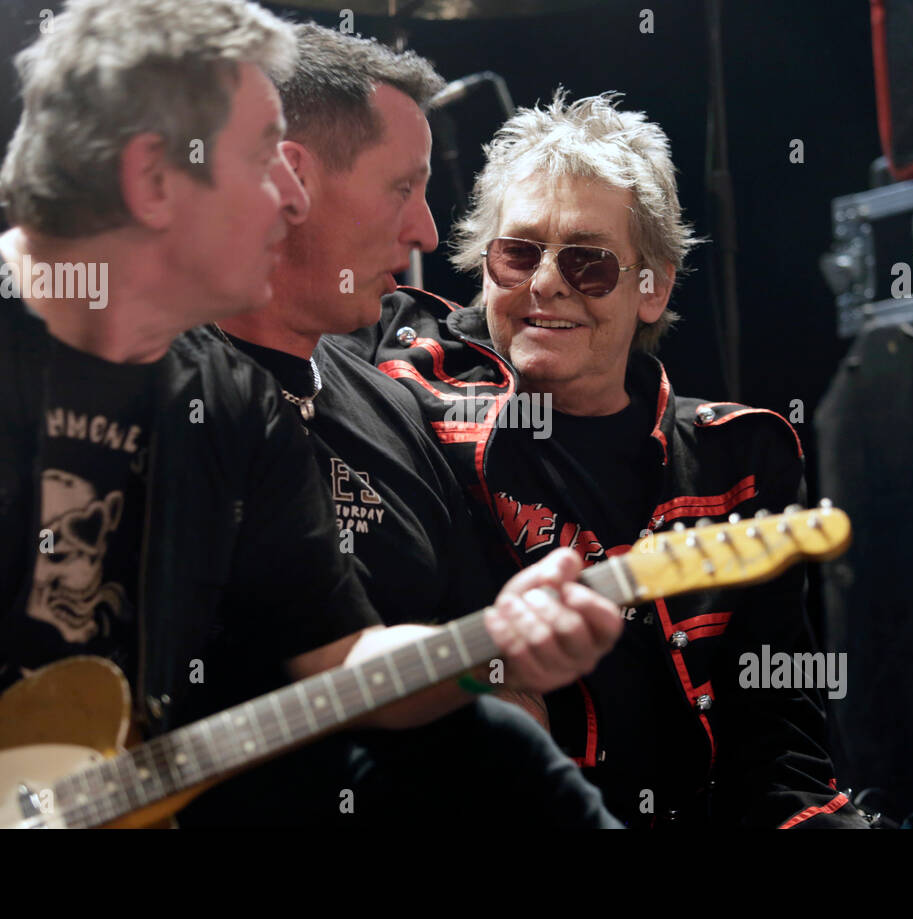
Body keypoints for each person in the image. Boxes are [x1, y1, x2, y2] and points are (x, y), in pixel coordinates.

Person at [0, 0, 623, 829]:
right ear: (151, 179)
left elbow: (338, 656)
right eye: (265, 159)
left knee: (482, 743)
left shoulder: (230, 403)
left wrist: (490, 645)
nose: (294, 197)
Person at [354, 91, 869, 828]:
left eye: (589, 263)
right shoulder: (401, 373)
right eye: (518, 252)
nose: (545, 283)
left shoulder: (738, 459)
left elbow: (775, 746)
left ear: (652, 286)